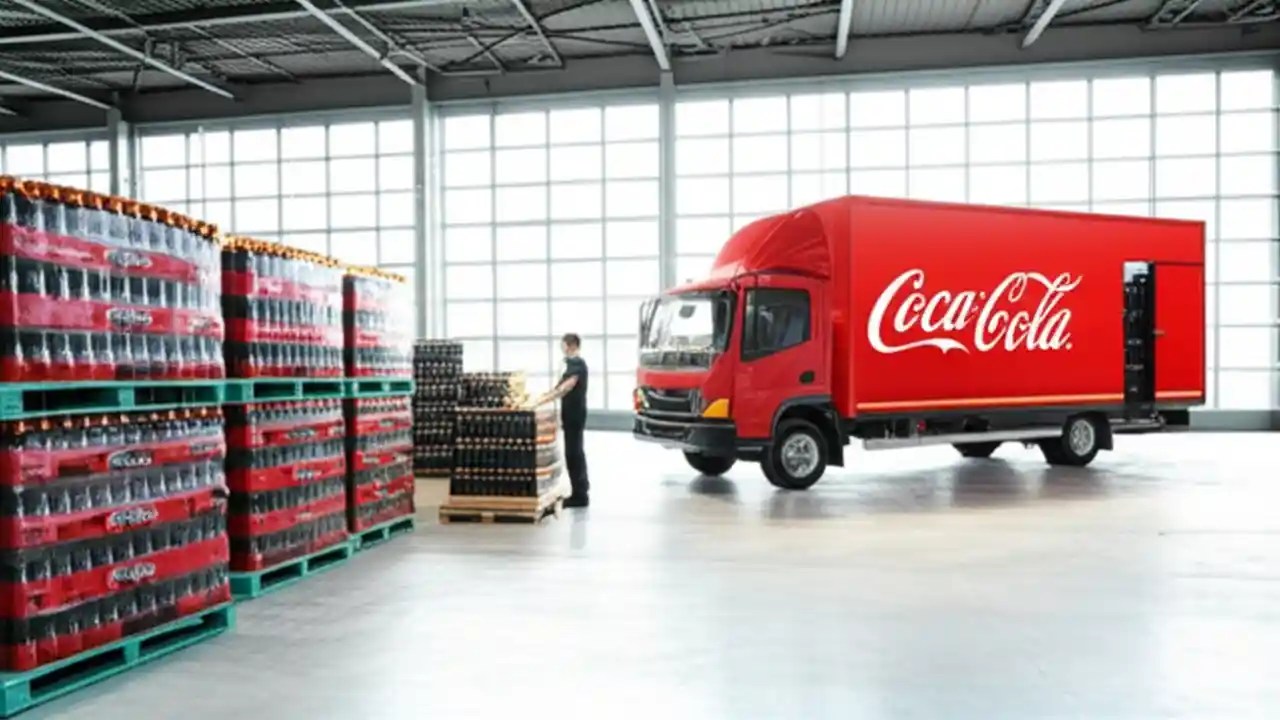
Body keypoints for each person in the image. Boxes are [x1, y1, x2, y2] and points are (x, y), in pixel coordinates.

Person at [538, 333, 589, 508]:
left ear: (570, 345)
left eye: (563, 345)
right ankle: (581, 489)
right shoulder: (572, 365)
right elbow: (559, 387)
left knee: (573, 453)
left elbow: (565, 388)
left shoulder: (576, 364)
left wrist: (543, 400)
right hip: (572, 414)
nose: (562, 348)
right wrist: (545, 396)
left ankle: (579, 495)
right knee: (576, 451)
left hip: (574, 415)